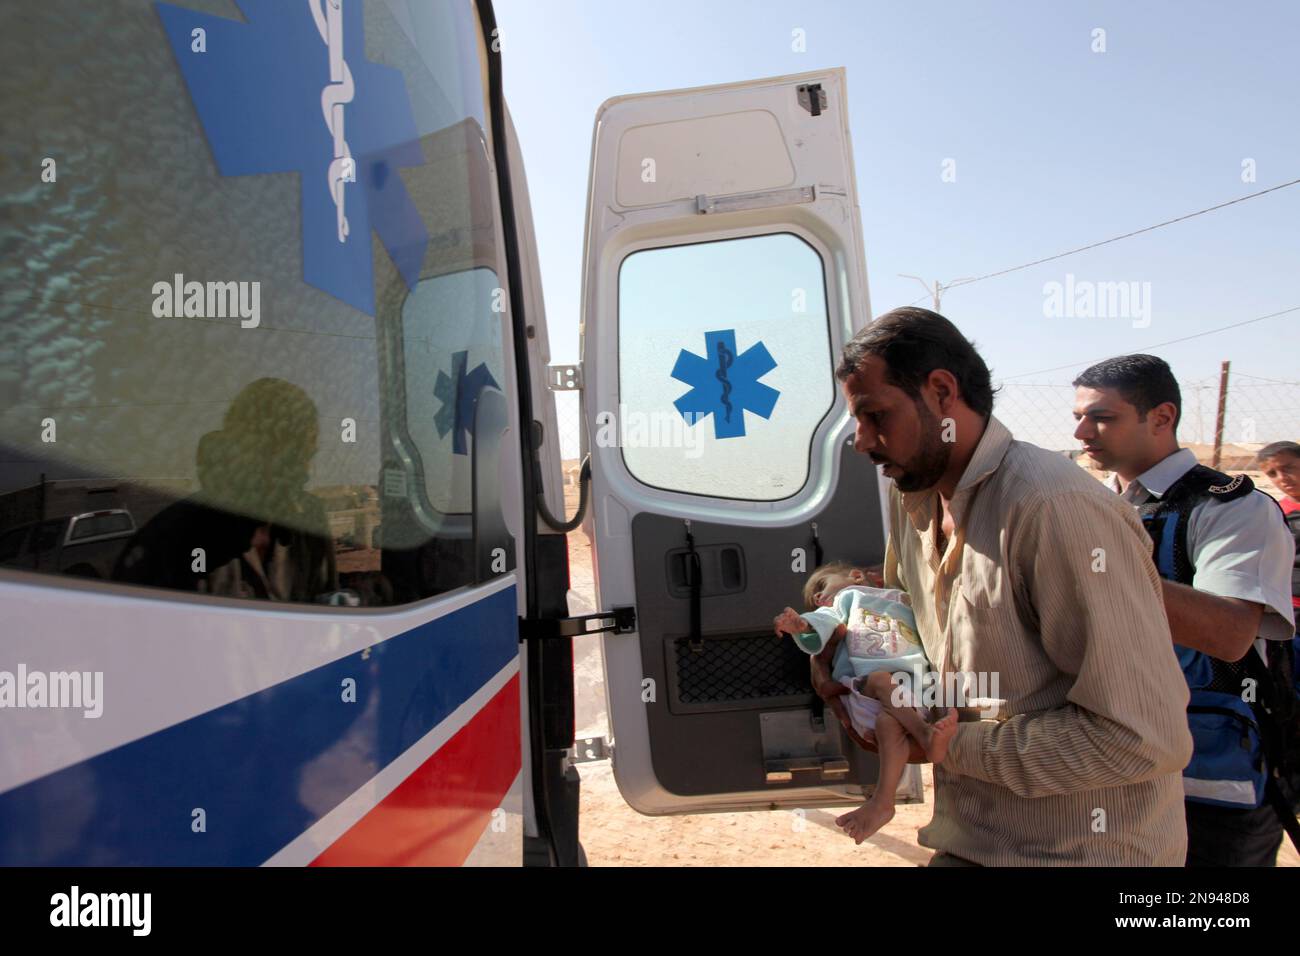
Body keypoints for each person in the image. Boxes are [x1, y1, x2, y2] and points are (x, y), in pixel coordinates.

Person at [833, 307, 1191, 866]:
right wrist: (864, 687)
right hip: (970, 841)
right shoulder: (915, 499)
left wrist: (951, 745)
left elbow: (1141, 736)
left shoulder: (1053, 509)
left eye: (875, 414)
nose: (861, 440)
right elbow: (929, 665)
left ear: (942, 391)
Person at [1072, 356, 1297, 865]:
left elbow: (1229, 632)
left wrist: (1094, 573)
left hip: (1208, 782)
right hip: (1112, 768)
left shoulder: (1233, 508)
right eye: (1079, 417)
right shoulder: (1092, 506)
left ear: (1161, 417)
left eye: (1103, 417)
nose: (1084, 430)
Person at [773, 561, 956, 844]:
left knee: (888, 724)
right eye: (815, 599)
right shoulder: (846, 602)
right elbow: (823, 623)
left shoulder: (896, 598)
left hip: (908, 692)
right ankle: (925, 734)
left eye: (822, 587)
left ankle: (883, 802)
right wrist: (803, 625)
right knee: (882, 680)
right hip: (862, 688)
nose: (819, 598)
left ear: (857, 577)